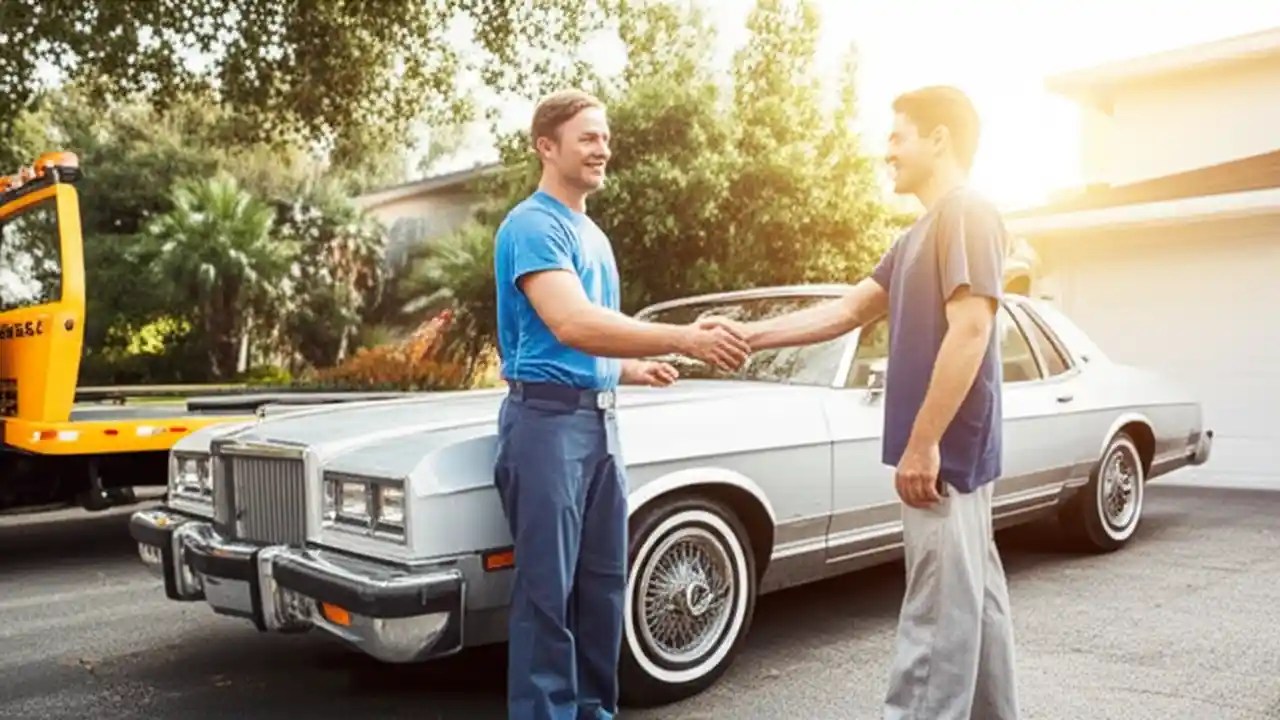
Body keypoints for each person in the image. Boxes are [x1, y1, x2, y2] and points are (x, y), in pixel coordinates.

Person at [732, 85, 1019, 719]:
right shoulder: (917, 234)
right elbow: (846, 310)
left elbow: (972, 328)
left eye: (897, 137)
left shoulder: (966, 213)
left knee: (934, 627)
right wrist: (749, 335)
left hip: (946, 459)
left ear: (938, 138)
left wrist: (923, 444)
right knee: (974, 606)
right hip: (948, 457)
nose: (886, 151)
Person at [491, 88, 750, 720]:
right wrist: (683, 336)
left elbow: (590, 337)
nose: (603, 147)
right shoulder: (532, 225)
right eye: (587, 137)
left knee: (604, 584)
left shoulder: (594, 236)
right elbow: (572, 324)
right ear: (545, 147)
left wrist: (629, 367)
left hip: (600, 421)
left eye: (605, 136)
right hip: (546, 424)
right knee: (548, 594)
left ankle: (593, 712)